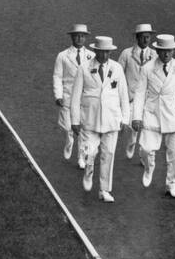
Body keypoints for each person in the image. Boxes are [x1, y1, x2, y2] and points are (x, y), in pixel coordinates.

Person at [130, 33, 175, 198]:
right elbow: (139, 94)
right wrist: (136, 117)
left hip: (174, 116)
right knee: (146, 148)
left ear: (173, 51)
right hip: (152, 114)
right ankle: (149, 167)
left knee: (174, 153)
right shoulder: (147, 68)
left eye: (169, 51)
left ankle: (171, 185)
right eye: (163, 51)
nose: (166, 54)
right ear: (157, 50)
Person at [69, 36, 131, 202]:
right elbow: (75, 97)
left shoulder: (117, 68)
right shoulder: (84, 68)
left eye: (107, 52)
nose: (104, 55)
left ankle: (104, 190)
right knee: (90, 152)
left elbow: (123, 95)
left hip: (112, 119)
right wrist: (74, 121)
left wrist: (125, 118)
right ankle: (88, 173)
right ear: (95, 50)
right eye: (101, 52)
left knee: (108, 155)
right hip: (90, 119)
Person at [53, 24, 92, 165]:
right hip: (68, 96)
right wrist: (58, 95)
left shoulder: (91, 56)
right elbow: (57, 76)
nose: (79, 38)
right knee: (69, 126)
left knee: (82, 128)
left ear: (85, 38)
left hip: (84, 98)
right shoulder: (63, 56)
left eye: (82, 36)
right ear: (72, 37)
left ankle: (81, 156)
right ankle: (69, 142)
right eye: (77, 36)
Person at [117, 23, 155, 160]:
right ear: (137, 38)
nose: (146, 40)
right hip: (131, 97)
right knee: (133, 127)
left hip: (148, 98)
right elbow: (118, 74)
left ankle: (143, 153)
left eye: (148, 37)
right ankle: (132, 143)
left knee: (148, 128)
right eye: (143, 37)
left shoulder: (155, 55)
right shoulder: (126, 54)